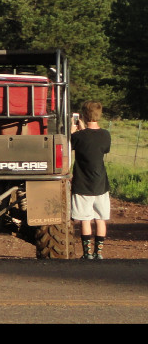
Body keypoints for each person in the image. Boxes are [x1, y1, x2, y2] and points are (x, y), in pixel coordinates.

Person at [71, 100, 111, 259]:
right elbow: (102, 148)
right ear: (99, 115)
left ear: (84, 115)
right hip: (101, 184)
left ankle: (87, 254)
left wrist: (73, 132)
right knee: (100, 219)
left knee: (85, 220)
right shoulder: (106, 135)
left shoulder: (78, 136)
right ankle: (98, 253)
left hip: (82, 184)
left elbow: (73, 145)